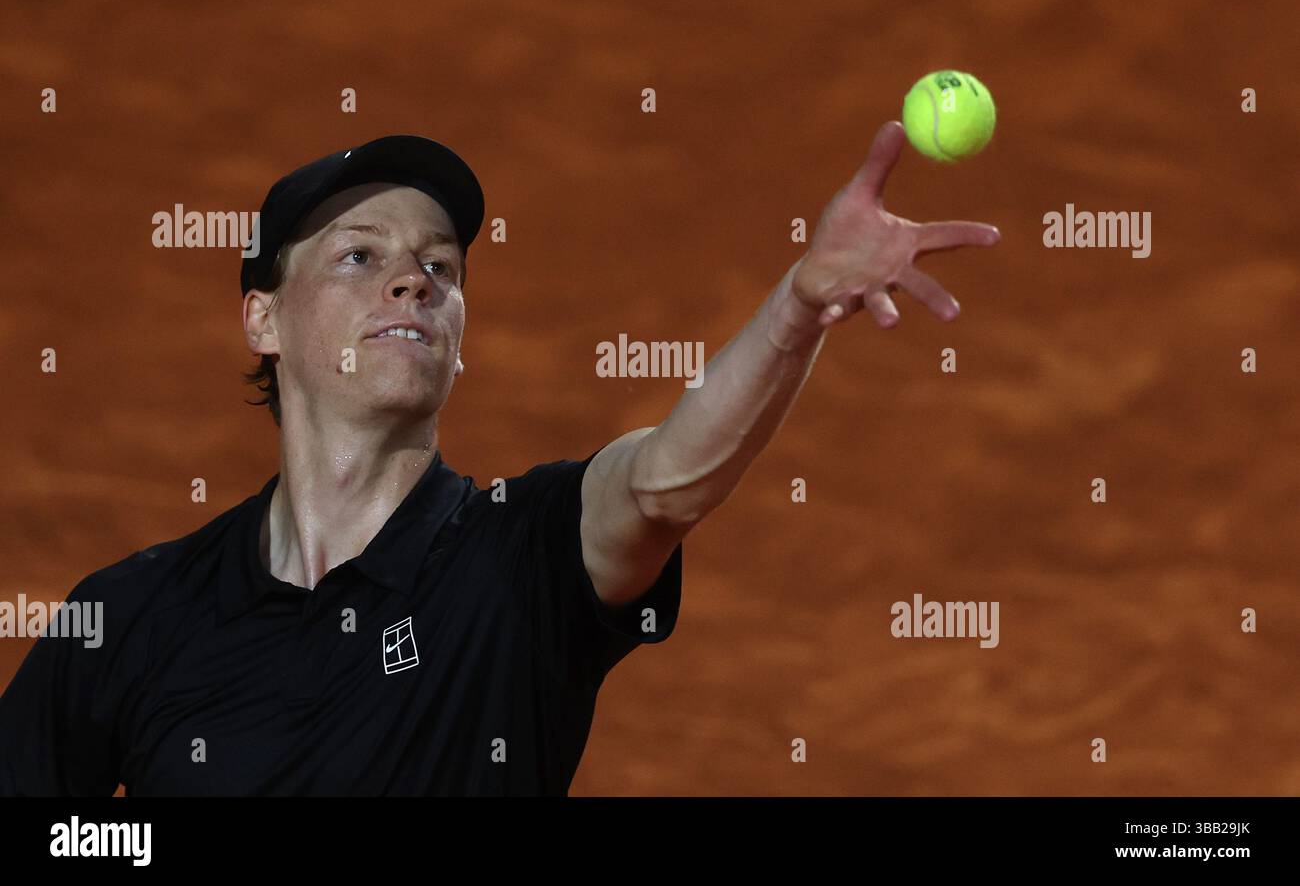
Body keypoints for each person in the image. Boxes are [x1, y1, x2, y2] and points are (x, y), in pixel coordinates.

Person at [0, 124, 998, 794]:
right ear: (262, 317)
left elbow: (663, 481)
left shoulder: (521, 559)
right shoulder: (132, 616)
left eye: (440, 265)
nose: (413, 282)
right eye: (361, 255)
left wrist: (796, 307)